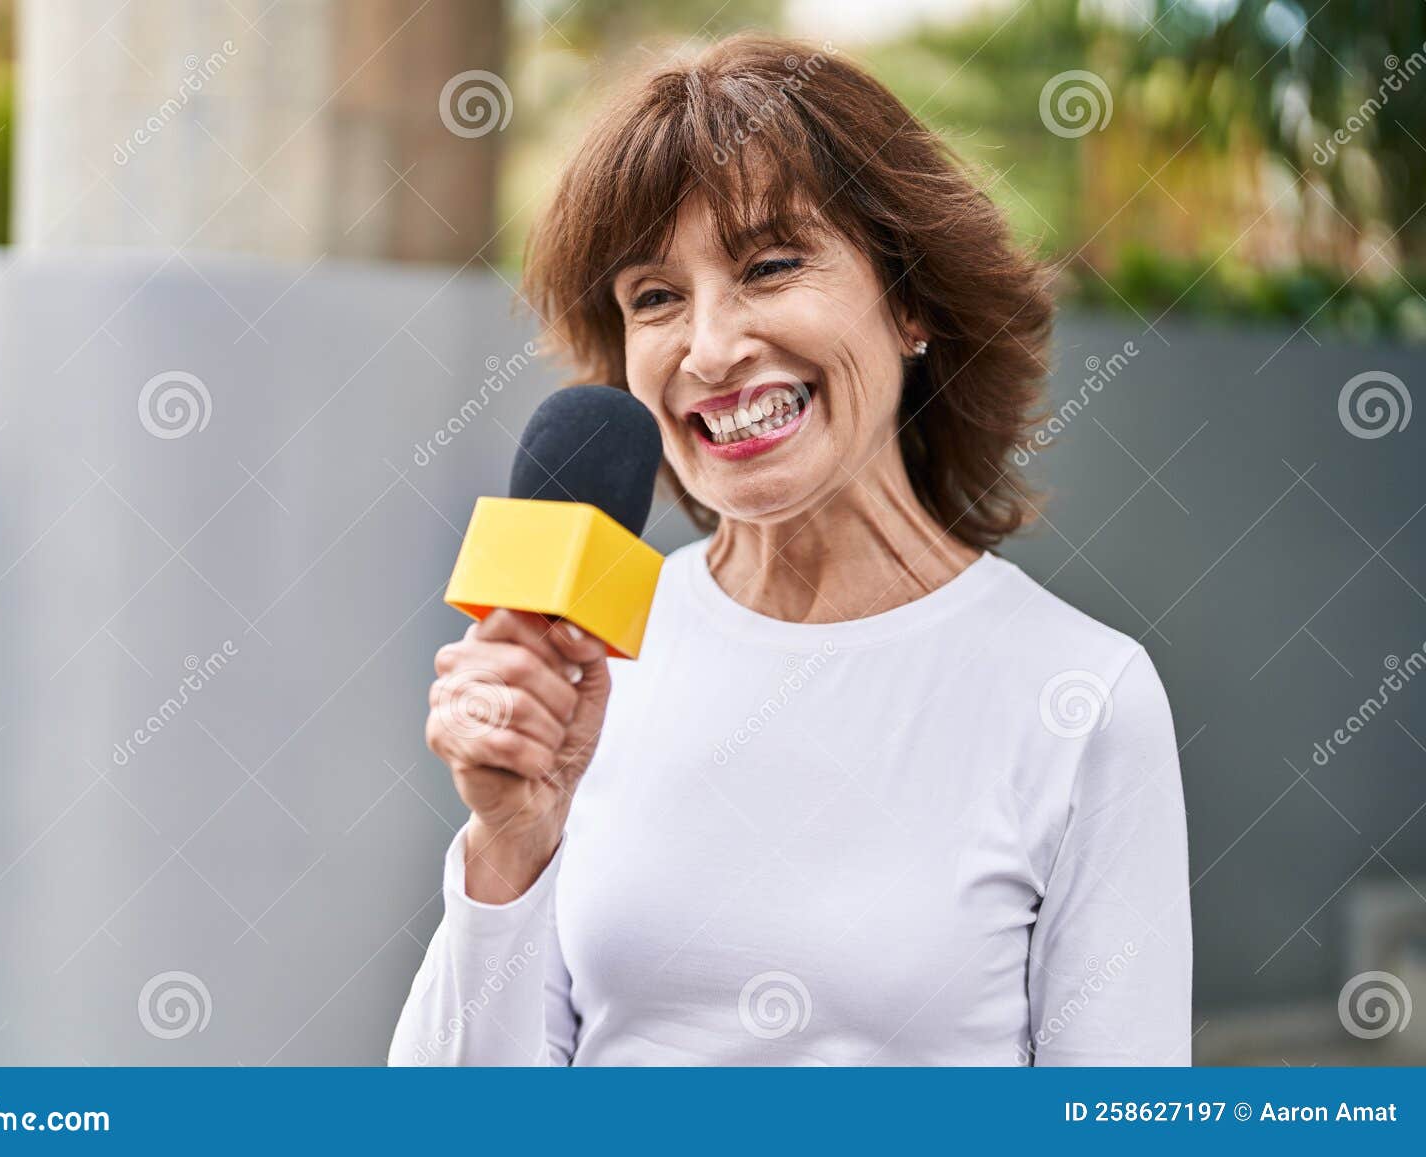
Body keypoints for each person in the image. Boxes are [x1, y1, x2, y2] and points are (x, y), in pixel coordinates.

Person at [390, 33, 1191, 1065]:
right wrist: (511, 844)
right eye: (655, 297)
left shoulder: (1081, 696)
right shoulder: (586, 665)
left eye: (769, 266)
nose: (711, 348)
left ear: (909, 301)